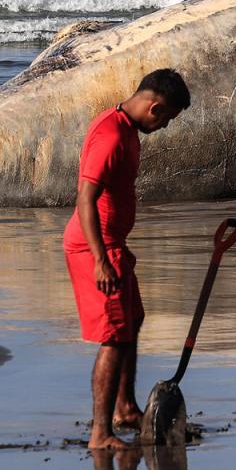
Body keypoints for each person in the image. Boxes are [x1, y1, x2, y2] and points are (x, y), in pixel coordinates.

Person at [64, 68, 191, 450]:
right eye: (167, 119)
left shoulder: (124, 127)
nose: (165, 127)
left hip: (112, 244)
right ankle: (100, 433)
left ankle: (125, 409)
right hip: (94, 248)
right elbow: (85, 199)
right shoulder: (112, 135)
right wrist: (101, 259)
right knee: (114, 337)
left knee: (133, 320)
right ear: (155, 107)